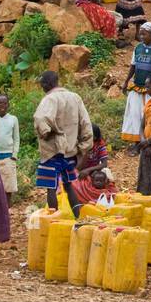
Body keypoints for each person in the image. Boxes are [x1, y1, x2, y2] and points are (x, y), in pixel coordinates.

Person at [33, 70, 92, 214]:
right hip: (70, 151)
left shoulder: (49, 99)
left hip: (52, 152)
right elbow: (86, 124)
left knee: (51, 187)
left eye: (42, 85)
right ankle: (78, 217)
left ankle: (52, 217)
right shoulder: (75, 97)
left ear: (46, 84)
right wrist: (83, 146)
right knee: (68, 185)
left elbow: (40, 119)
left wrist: (46, 133)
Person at [0, 93, 19, 210]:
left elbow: (16, 138)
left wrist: (14, 155)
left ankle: (7, 209)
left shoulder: (13, 119)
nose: (2, 106)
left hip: (8, 157)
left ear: (8, 104)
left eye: (4, 103)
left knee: (9, 186)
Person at [72, 124, 112, 204]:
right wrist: (85, 153)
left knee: (100, 181)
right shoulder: (79, 144)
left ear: (95, 137)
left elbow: (104, 164)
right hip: (80, 170)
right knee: (75, 184)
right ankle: (84, 200)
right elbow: (78, 168)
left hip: (94, 170)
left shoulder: (100, 144)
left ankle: (98, 200)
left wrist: (89, 170)